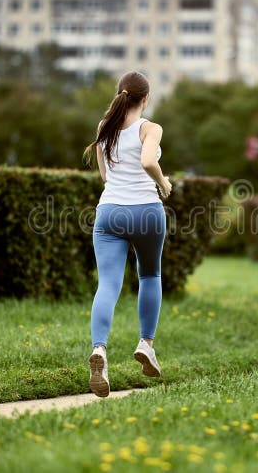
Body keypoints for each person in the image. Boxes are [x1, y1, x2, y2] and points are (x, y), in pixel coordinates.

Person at [82, 71, 172, 398]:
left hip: (109, 213)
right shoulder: (150, 128)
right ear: (145, 98)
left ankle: (100, 351)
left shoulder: (104, 128)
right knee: (150, 276)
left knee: (107, 285)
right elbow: (149, 160)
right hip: (147, 210)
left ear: (120, 94)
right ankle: (146, 344)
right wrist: (164, 184)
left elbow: (106, 177)